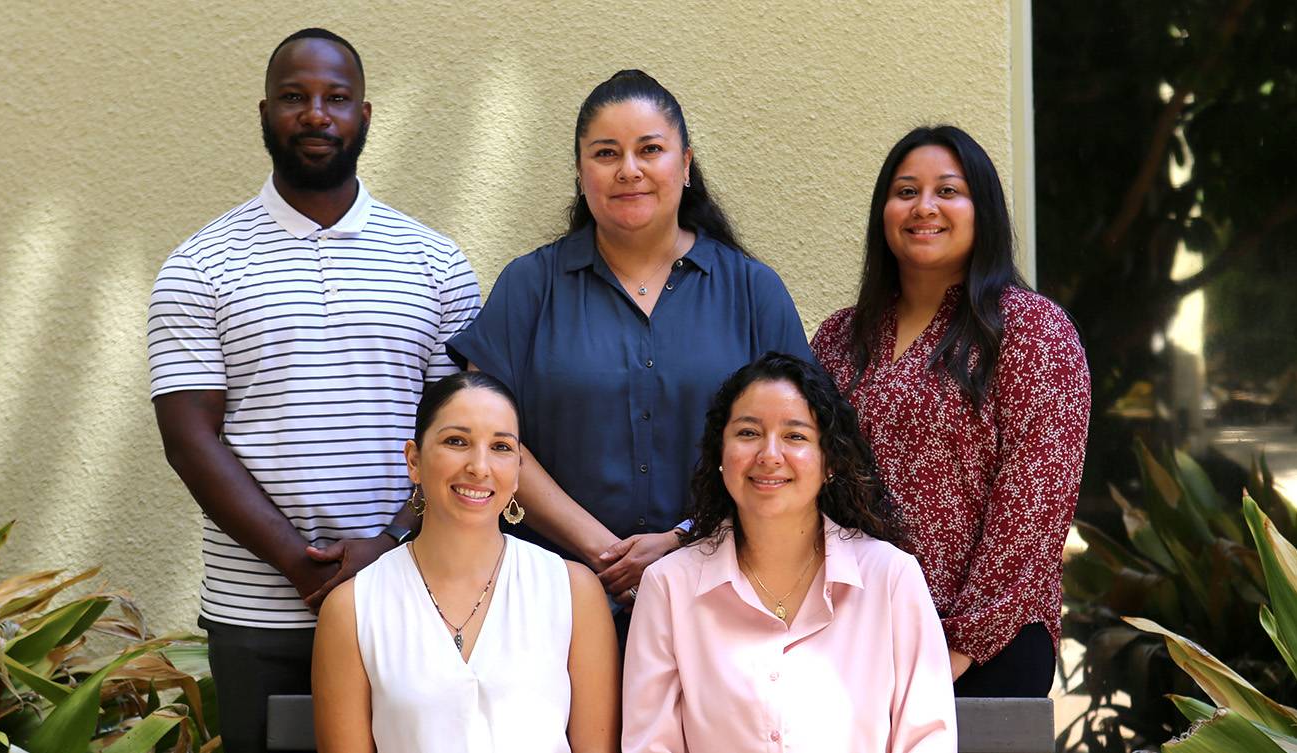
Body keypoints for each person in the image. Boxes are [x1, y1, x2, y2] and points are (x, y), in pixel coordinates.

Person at [146, 28, 480, 751]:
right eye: (295, 98)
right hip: (257, 611)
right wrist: (298, 563)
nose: (316, 114)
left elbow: (459, 435)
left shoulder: (436, 263)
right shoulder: (199, 266)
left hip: (413, 594)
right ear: (265, 113)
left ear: (366, 115)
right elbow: (188, 439)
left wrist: (392, 541)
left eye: (336, 98)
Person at [447, 70, 814, 615]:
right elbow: (484, 438)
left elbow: (797, 447)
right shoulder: (530, 286)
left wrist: (685, 541)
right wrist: (602, 551)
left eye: (650, 150)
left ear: (685, 165)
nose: (629, 170)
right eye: (605, 153)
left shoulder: (752, 289)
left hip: (720, 595)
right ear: (579, 170)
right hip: (552, 595)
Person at [809, 125, 1091, 697]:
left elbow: (1035, 501)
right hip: (852, 637)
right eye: (906, 191)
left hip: (986, 646)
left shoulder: (1032, 330)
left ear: (981, 209)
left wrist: (956, 646)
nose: (924, 207)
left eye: (948, 191)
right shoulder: (840, 337)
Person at [622, 352, 955, 752]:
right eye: (748, 433)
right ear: (719, 455)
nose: (769, 455)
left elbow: (927, 740)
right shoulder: (669, 585)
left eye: (795, 436)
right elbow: (650, 744)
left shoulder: (891, 578)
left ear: (829, 459)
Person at [312, 371, 620, 752]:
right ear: (414, 460)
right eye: (456, 441)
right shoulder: (353, 608)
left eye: (501, 447)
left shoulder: (572, 591)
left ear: (518, 468)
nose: (479, 466)